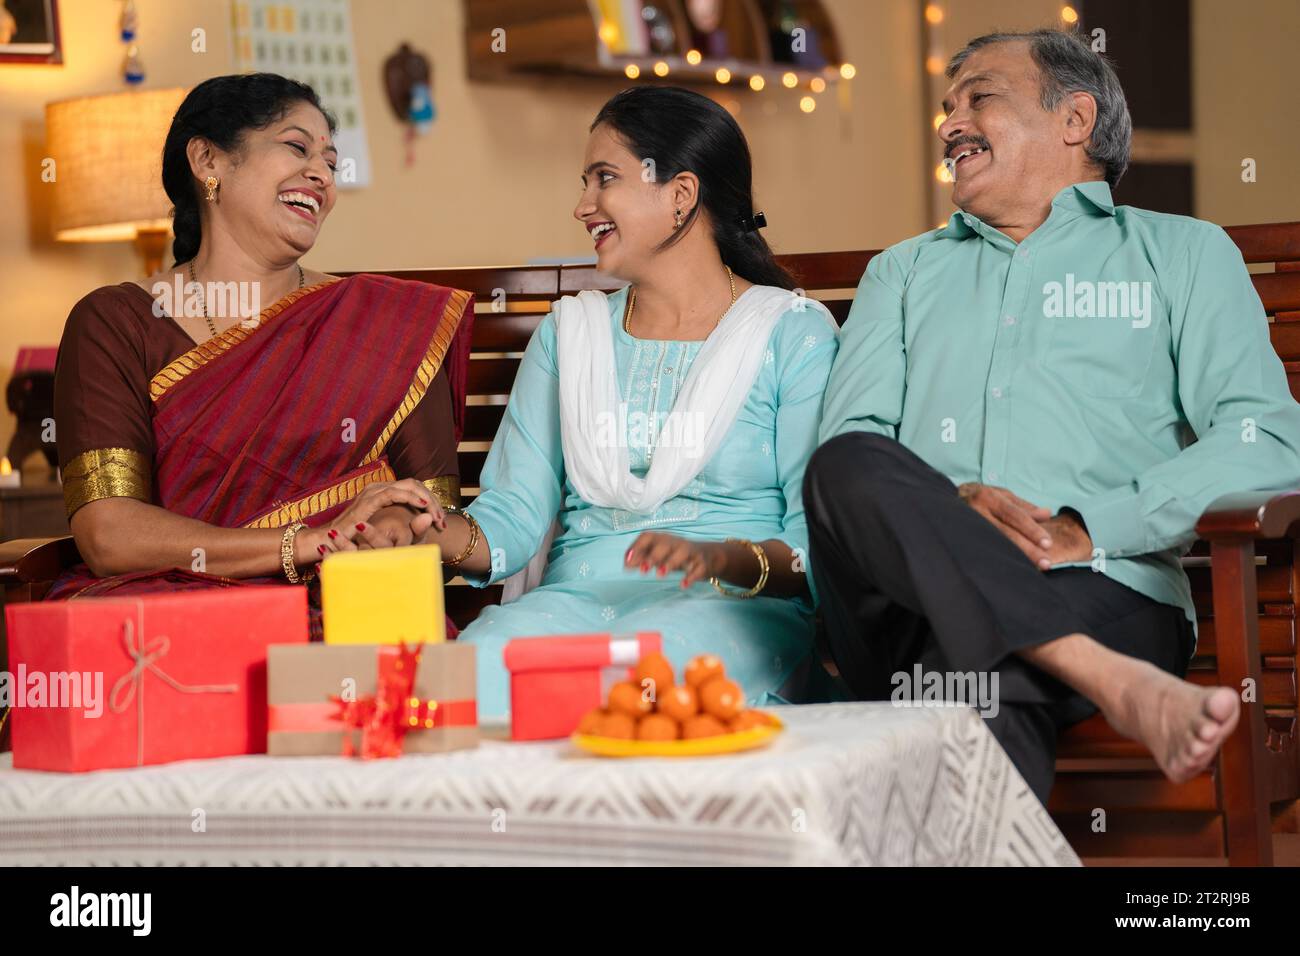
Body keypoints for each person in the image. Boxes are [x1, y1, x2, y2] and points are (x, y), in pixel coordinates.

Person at [805, 29, 1300, 802]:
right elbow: (851, 448)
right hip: (902, 602)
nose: (948, 124)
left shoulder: (1183, 256)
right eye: (946, 107)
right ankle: (1109, 679)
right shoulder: (902, 273)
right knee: (844, 463)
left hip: (1100, 584)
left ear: (1075, 119)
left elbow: (1266, 439)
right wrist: (949, 514)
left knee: (974, 686)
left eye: (980, 98)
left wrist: (1085, 528)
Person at [417, 87, 839, 717]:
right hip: (574, 604)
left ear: (681, 195)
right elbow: (512, 520)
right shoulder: (570, 335)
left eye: (604, 179)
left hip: (730, 610)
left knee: (652, 675)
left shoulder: (790, 334)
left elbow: (816, 548)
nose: (582, 206)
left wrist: (717, 557)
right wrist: (427, 530)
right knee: (470, 672)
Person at [51, 73, 471, 636]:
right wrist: (302, 544)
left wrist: (389, 525)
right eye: (297, 147)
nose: (321, 174)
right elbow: (109, 534)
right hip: (174, 613)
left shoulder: (385, 323)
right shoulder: (116, 323)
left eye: (330, 161)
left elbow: (435, 512)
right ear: (207, 160)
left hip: (348, 607)